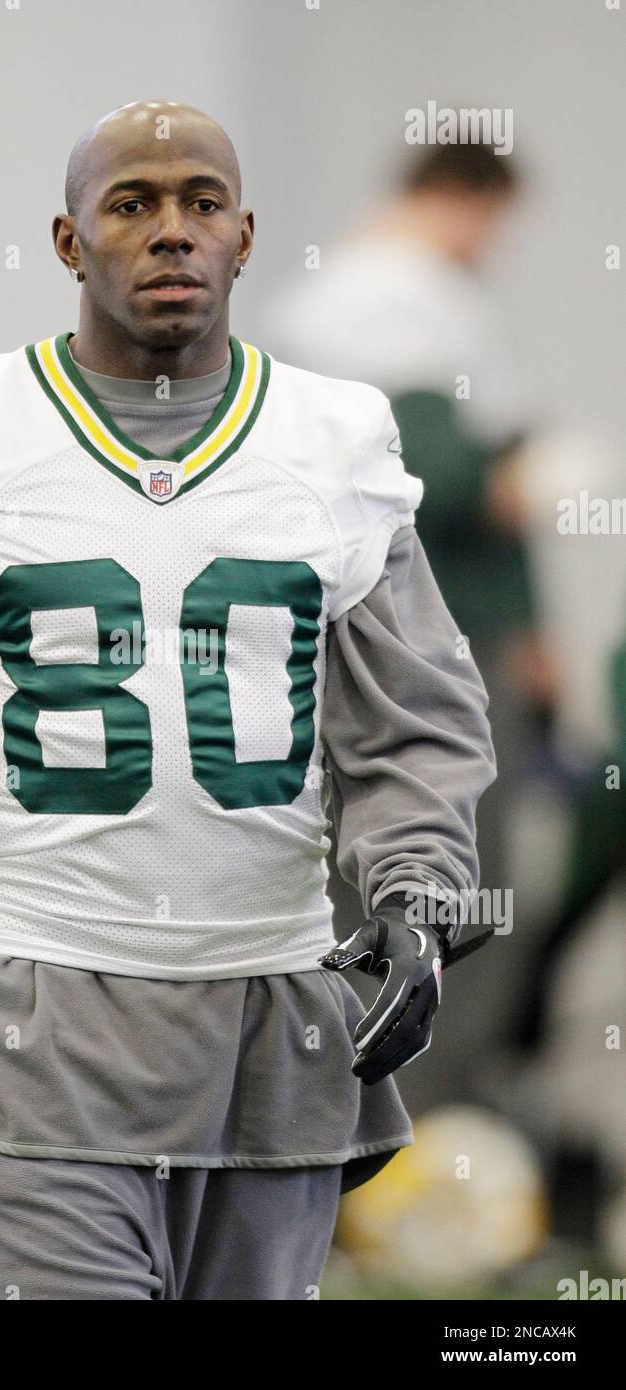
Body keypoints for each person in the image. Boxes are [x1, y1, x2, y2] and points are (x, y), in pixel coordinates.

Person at [0, 100, 496, 1301]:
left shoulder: (337, 439)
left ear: (246, 235)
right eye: (132, 204)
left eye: (199, 203)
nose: (170, 231)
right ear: (69, 242)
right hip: (36, 1010)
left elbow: (417, 718)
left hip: (276, 1014)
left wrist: (418, 900)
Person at [265, 142, 554, 1107]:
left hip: (317, 649)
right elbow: (446, 480)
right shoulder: (406, 299)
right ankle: (417, 1139)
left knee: (350, 887)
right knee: (454, 890)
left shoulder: (320, 302)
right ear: (462, 200)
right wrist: (528, 484)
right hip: (427, 648)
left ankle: (338, 1137)